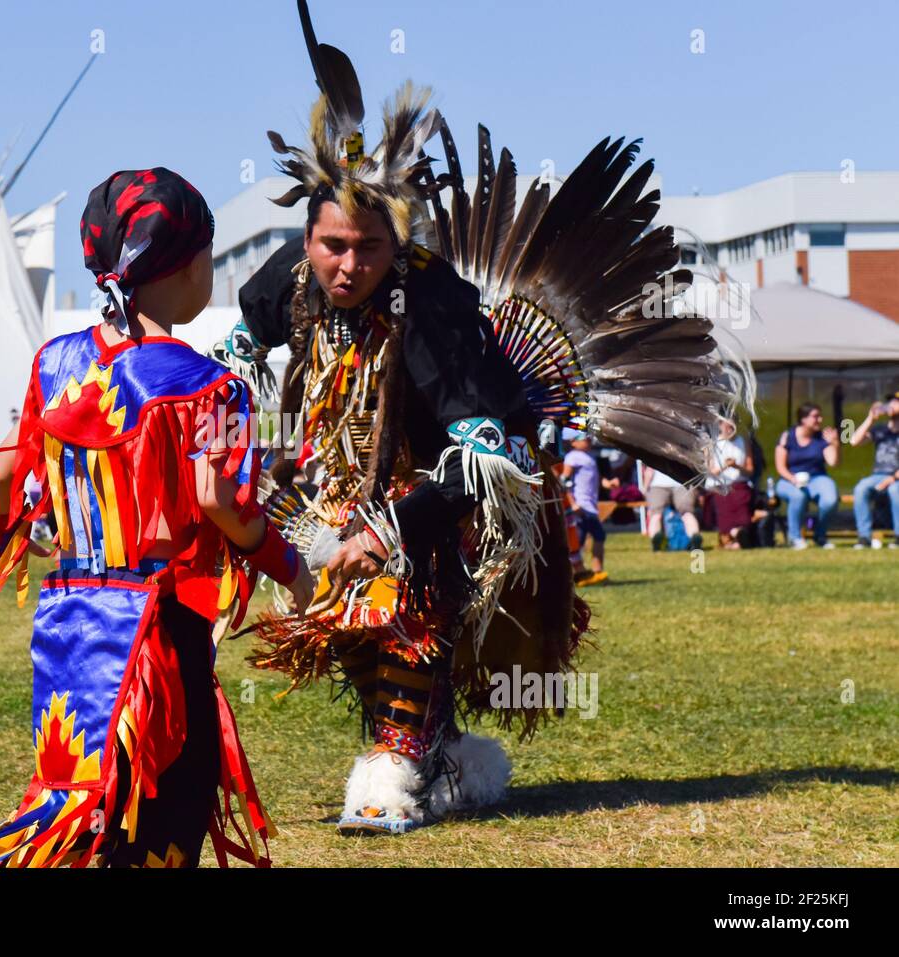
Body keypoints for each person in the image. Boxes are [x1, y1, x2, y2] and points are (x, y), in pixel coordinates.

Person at [209, 1, 749, 836]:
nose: (348, 266)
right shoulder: (287, 278)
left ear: (400, 243)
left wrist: (389, 529)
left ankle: (393, 769)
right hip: (354, 478)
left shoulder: (432, 307)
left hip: (469, 476)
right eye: (332, 246)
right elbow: (234, 364)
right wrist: (235, 451)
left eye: (369, 249)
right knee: (347, 624)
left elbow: (481, 456)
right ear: (307, 237)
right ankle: (450, 756)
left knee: (406, 602)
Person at [0, 167, 301, 868]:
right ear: (194, 264)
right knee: (158, 823)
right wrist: (288, 564)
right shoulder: (214, 386)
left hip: (73, 637)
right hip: (160, 644)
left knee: (80, 809)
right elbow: (218, 498)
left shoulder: (56, 364)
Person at [775, 402, 840, 549]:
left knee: (831, 499)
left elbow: (833, 462)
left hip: (817, 477)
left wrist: (835, 443)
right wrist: (793, 479)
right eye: (816, 416)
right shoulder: (787, 437)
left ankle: (820, 535)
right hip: (788, 479)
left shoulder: (822, 438)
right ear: (803, 419)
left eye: (820, 416)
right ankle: (795, 538)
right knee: (798, 496)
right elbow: (780, 467)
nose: (820, 420)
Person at [561, 430, 617, 584]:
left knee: (587, 539)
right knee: (584, 540)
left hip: (590, 506)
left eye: (589, 437)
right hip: (581, 506)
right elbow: (564, 481)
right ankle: (581, 574)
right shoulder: (572, 457)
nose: (588, 440)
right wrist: (572, 503)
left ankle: (592, 572)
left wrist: (608, 484)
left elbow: (597, 480)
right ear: (573, 441)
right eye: (584, 438)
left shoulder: (589, 457)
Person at [850, 396, 899, 549]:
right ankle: (864, 538)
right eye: (891, 401)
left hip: (896, 477)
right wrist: (870, 418)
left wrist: (892, 478)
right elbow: (854, 441)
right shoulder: (880, 429)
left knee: (895, 490)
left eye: (897, 402)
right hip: (878, 476)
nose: (892, 405)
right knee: (861, 488)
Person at [706, 417, 755, 549]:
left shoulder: (743, 442)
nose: (730, 430)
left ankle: (737, 536)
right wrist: (725, 466)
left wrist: (736, 466)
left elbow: (750, 470)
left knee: (742, 511)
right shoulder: (713, 443)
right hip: (719, 485)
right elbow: (710, 471)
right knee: (724, 507)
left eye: (732, 427)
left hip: (739, 485)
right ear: (720, 425)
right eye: (728, 426)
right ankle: (734, 535)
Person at [644, 464, 704, 551]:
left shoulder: (656, 450)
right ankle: (694, 538)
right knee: (687, 513)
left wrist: (645, 489)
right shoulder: (685, 449)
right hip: (683, 482)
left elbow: (649, 471)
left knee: (656, 514)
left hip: (658, 483)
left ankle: (656, 541)